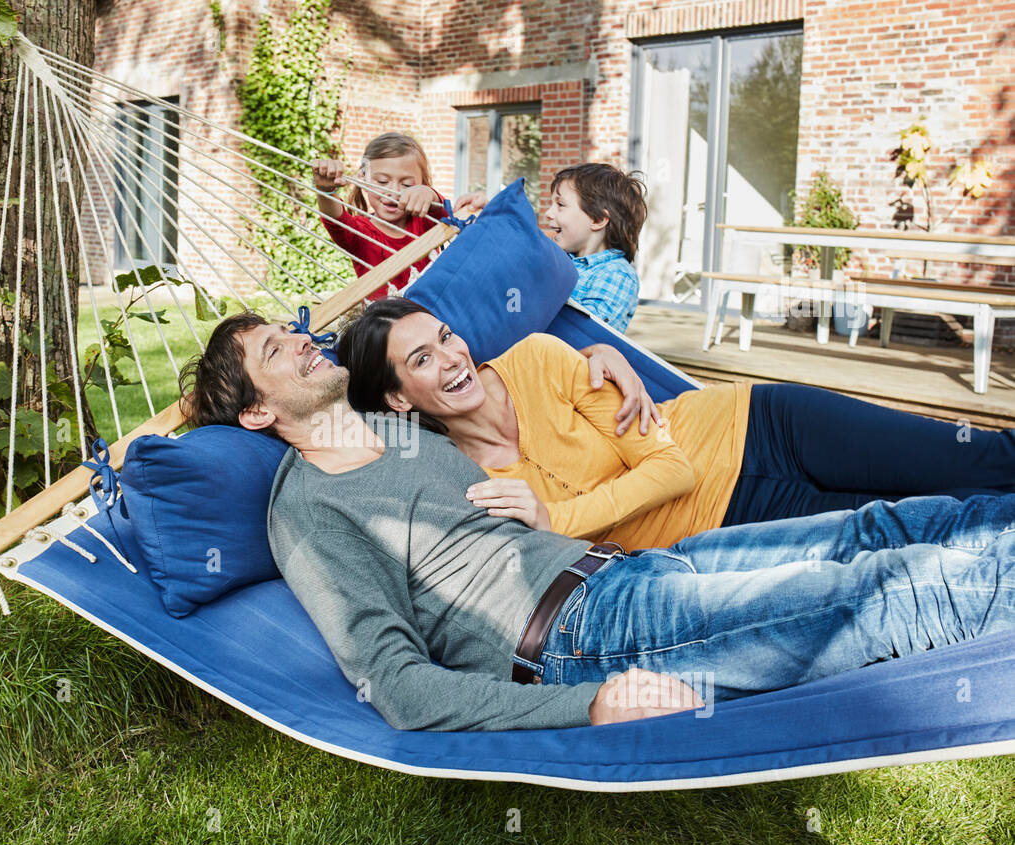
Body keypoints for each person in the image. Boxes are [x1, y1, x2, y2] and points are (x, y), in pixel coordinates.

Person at [176, 312, 1015, 731]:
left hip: (638, 567)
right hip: (583, 635)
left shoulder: (404, 429)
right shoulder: (309, 509)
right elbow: (395, 685)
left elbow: (501, 390)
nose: (297, 341)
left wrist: (601, 359)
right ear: (256, 415)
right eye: (272, 351)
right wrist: (585, 706)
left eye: (291, 330)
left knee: (886, 528)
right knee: (867, 592)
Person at [335, 298, 1015, 549]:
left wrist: (557, 519)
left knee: (977, 459)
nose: (452, 358)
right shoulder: (468, 480)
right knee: (939, 522)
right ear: (400, 399)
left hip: (762, 423)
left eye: (446, 337)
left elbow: (671, 466)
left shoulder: (539, 360)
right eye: (421, 360)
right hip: (736, 520)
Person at [311, 133, 485, 301]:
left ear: (421, 184)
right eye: (382, 182)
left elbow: (449, 215)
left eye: (407, 184)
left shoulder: (427, 221)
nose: (393, 192)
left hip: (432, 319)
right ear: (362, 178)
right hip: (383, 327)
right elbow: (335, 220)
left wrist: (430, 194)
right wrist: (325, 191)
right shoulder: (360, 233)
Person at [546, 163, 647, 333]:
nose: (549, 213)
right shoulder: (558, 259)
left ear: (598, 219)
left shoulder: (617, 274)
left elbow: (579, 334)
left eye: (560, 205)